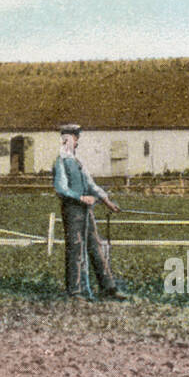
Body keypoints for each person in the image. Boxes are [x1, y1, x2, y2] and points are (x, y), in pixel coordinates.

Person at [53, 124, 124, 300]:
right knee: (75, 249)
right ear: (65, 140)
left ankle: (108, 287)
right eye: (73, 139)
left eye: (76, 139)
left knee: (96, 247)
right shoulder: (60, 162)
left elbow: (91, 185)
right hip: (72, 211)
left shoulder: (78, 163)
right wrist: (81, 198)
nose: (76, 143)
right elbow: (61, 188)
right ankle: (75, 291)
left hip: (86, 211)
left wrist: (107, 201)